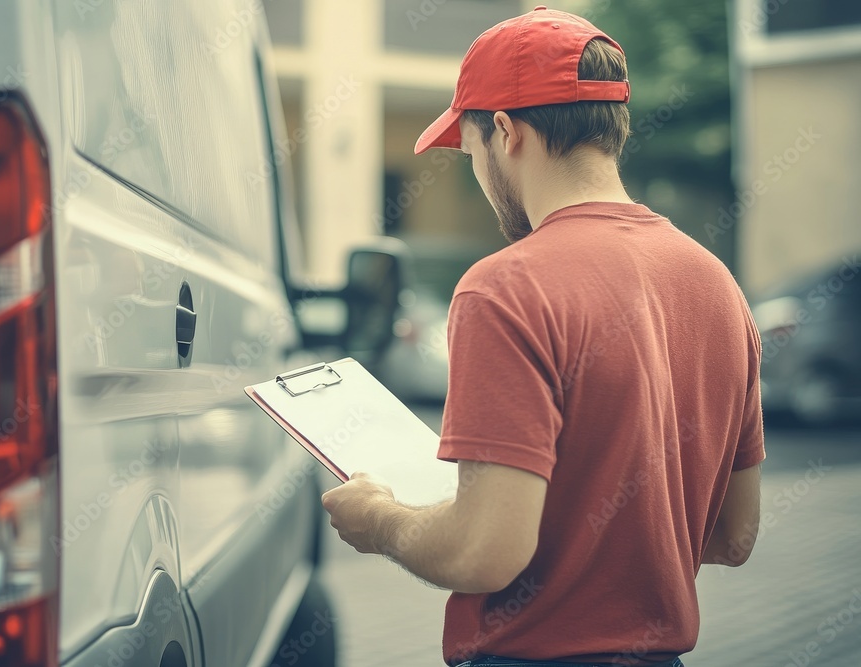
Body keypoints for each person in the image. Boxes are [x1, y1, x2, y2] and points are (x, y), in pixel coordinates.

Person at [320, 6, 764, 667]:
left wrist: (379, 520)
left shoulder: (504, 288)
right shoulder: (719, 286)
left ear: (504, 131)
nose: (475, 169)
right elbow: (735, 534)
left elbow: (484, 551)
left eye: (469, 151)